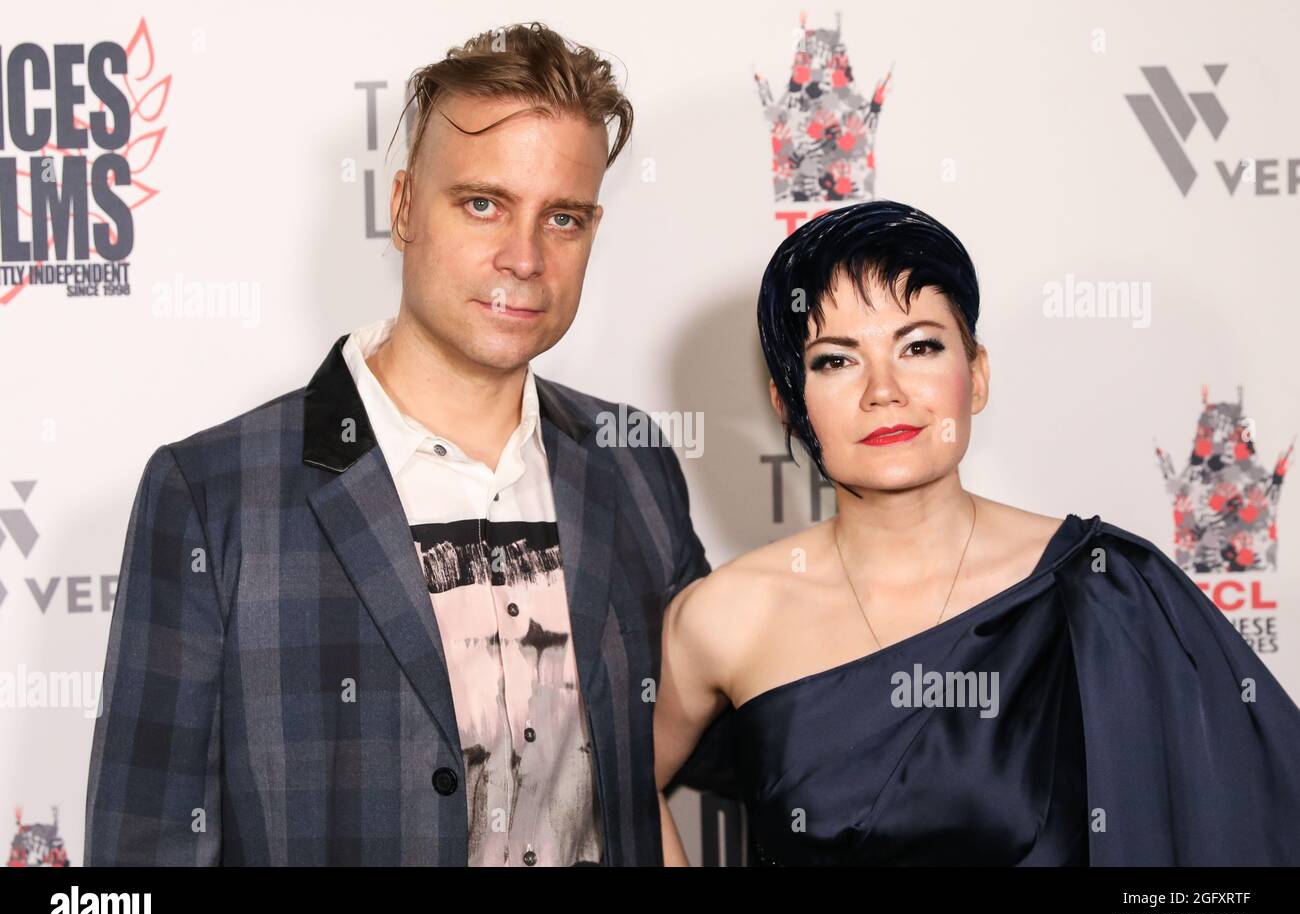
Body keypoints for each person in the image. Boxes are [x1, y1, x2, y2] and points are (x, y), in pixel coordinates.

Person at [85, 22, 713, 866]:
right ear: (406, 206)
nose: (524, 257)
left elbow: (729, 752)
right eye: (483, 203)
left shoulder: (633, 465)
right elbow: (140, 855)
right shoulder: (214, 493)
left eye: (562, 217)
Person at [655, 200, 1300, 866]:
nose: (884, 390)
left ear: (978, 374)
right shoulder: (725, 616)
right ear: (789, 406)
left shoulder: (1103, 588)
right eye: (836, 361)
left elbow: (1246, 828)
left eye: (921, 346)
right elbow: (607, 786)